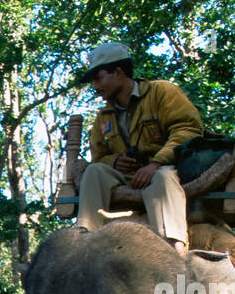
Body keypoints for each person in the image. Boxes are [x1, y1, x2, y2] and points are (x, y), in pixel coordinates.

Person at [77, 42, 203, 254]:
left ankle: (174, 248)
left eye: (98, 78)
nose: (95, 86)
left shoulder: (161, 92)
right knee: (94, 171)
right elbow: (99, 156)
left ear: (118, 72)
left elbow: (187, 130)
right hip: (128, 177)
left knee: (163, 177)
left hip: (167, 170)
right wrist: (115, 161)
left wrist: (156, 164)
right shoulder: (104, 116)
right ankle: (85, 241)